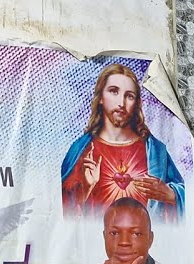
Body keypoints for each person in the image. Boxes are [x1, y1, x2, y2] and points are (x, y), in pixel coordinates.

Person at [61, 63, 186, 219]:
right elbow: (59, 213)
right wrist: (85, 189)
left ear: (137, 104)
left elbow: (190, 195)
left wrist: (171, 194)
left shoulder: (154, 150)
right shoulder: (82, 150)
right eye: (114, 91)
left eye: (129, 96)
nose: (121, 102)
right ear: (100, 97)